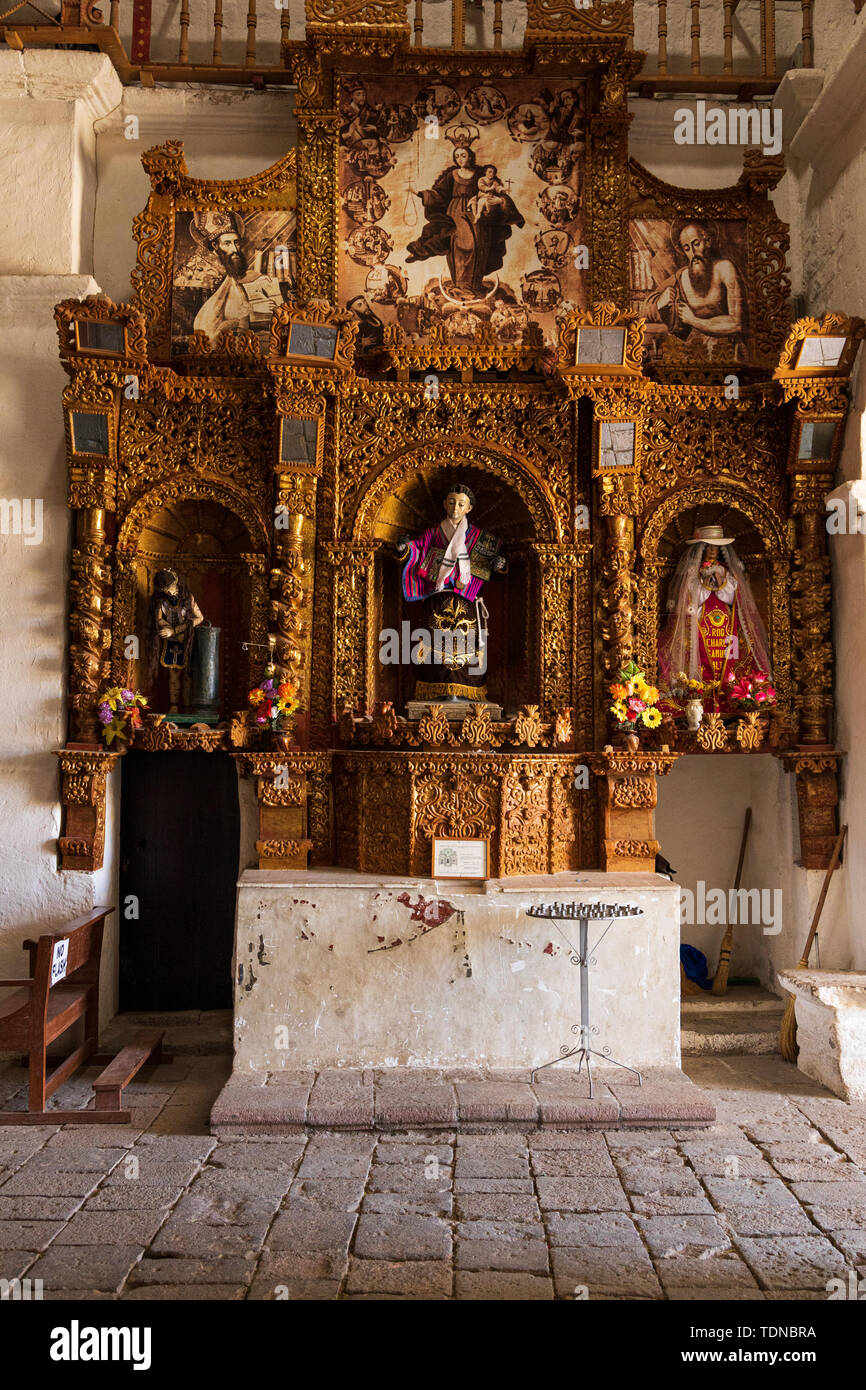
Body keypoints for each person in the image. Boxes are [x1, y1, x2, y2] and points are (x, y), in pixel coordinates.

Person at [394, 481, 506, 702]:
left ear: (469, 508)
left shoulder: (478, 538)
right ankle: (438, 691)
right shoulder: (433, 534)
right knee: (434, 647)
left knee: (466, 649)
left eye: (461, 504)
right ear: (445, 504)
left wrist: (499, 565)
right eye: (452, 502)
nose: (455, 508)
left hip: (466, 603)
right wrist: (403, 549)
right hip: (438, 599)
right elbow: (416, 551)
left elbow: (488, 566)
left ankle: (464, 691)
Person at [658, 524, 773, 711]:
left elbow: (730, 597)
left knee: (728, 660)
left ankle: (730, 702)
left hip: (725, 625)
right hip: (702, 622)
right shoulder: (693, 573)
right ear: (701, 549)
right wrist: (704, 583)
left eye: (716, 547)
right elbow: (693, 599)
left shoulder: (727, 571)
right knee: (701, 658)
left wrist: (720, 581)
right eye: (708, 547)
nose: (713, 550)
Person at [406, 143, 524, 299]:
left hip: (476, 212)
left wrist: (500, 201)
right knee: (463, 244)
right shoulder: (452, 175)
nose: (460, 159)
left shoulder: (480, 175)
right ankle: (461, 286)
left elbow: (494, 189)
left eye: (463, 155)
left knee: (479, 244)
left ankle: (475, 285)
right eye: (457, 156)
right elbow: (440, 194)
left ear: (470, 157)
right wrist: (421, 194)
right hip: (455, 213)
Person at [642, 221, 747, 357]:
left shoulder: (725, 269)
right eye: (686, 248)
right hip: (693, 351)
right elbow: (643, 311)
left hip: (726, 351)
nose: (693, 253)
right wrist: (660, 301)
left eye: (696, 244)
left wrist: (694, 321)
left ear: (708, 241)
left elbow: (736, 324)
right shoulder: (681, 276)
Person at [191, 211, 289, 342]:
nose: (235, 249)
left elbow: (235, 278)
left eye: (236, 242)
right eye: (227, 243)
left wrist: (259, 277)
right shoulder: (205, 272)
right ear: (215, 245)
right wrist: (254, 308)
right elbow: (214, 314)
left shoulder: (226, 263)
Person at [147, 568, 204, 713]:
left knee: (188, 675)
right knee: (174, 675)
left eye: (171, 588)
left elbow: (200, 618)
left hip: (187, 640)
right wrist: (166, 626)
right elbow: (158, 618)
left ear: (176, 582)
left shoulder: (187, 598)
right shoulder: (161, 601)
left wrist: (175, 630)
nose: (170, 592)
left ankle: (187, 706)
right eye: (166, 590)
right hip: (171, 642)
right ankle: (174, 706)